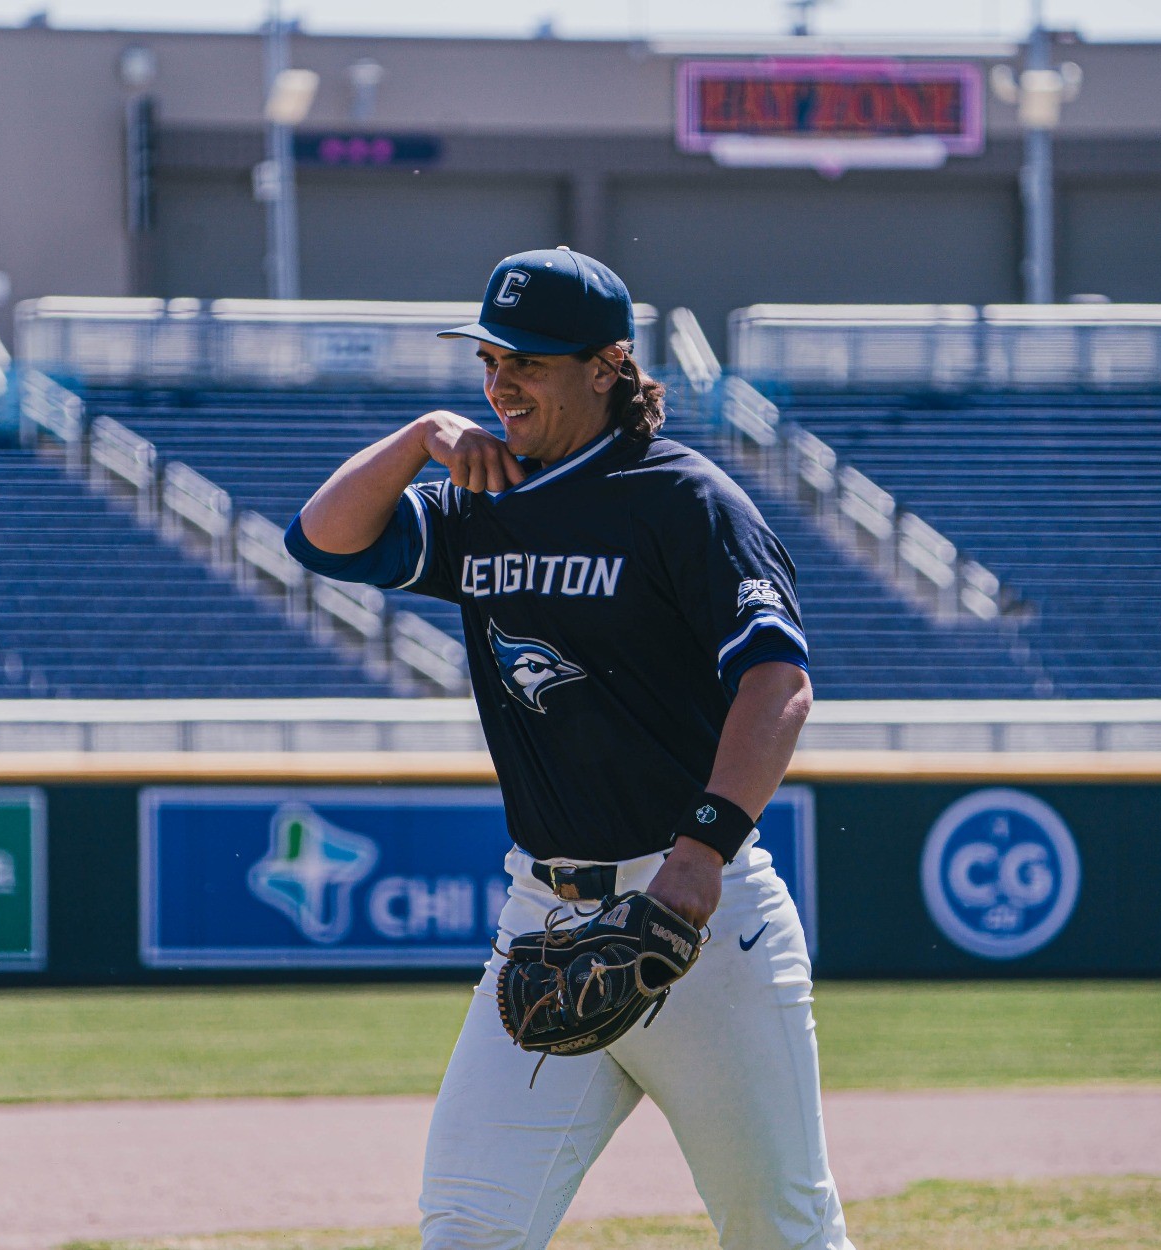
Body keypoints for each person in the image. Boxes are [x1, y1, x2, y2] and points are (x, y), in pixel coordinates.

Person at [285, 247, 852, 1250]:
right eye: (490, 359)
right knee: (466, 1225)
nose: (500, 383)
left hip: (700, 924)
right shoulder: (482, 495)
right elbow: (321, 539)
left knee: (779, 1229)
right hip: (544, 913)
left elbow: (777, 683)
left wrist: (698, 854)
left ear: (606, 366)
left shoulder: (684, 499)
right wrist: (420, 438)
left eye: (529, 363)